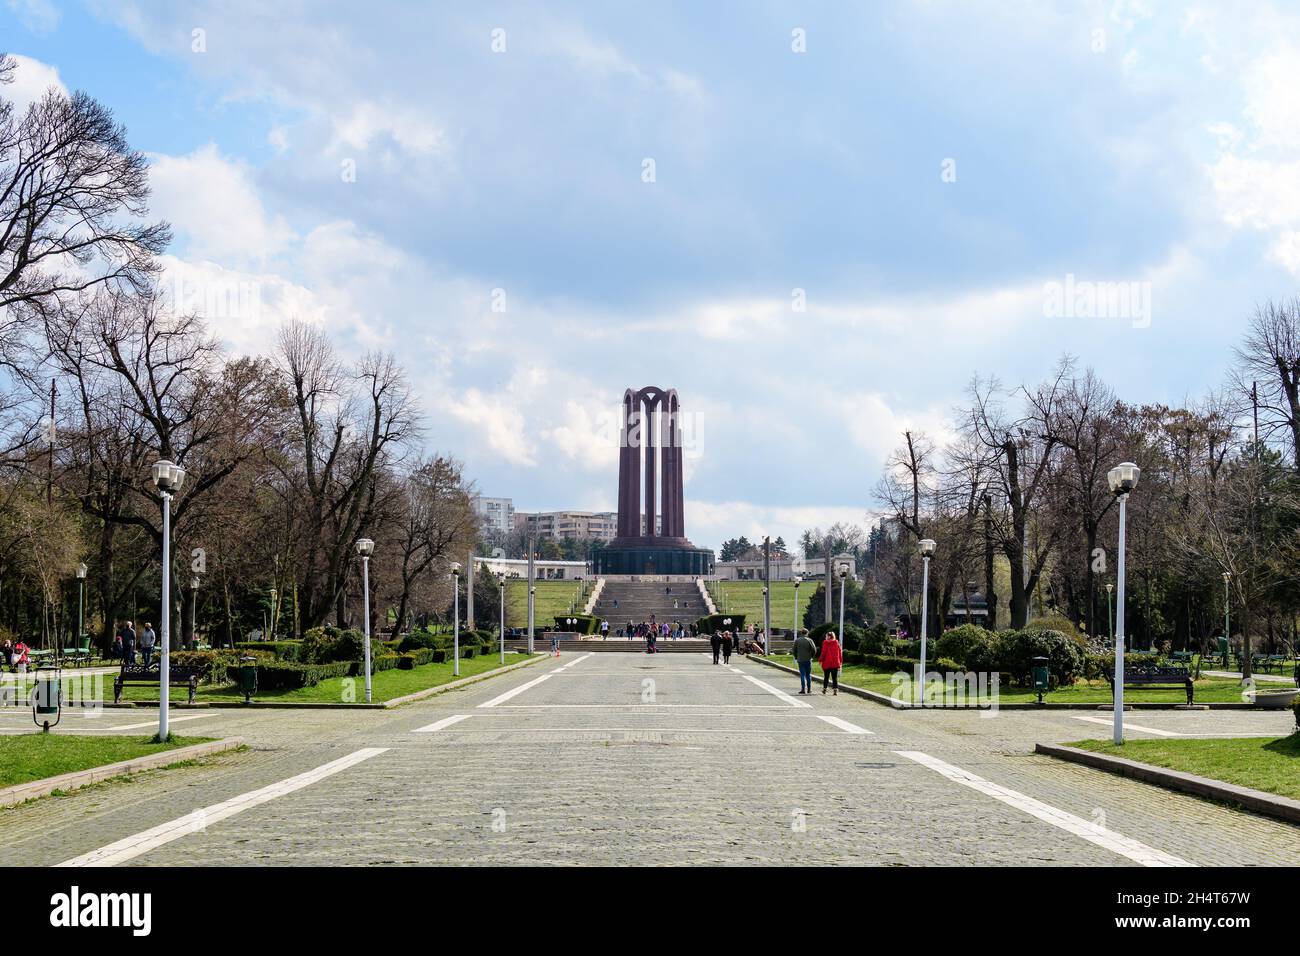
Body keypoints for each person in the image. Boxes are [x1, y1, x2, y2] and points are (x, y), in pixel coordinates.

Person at [791, 628, 817, 694]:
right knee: (808, 674)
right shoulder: (809, 640)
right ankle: (809, 689)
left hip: (800, 659)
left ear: (801, 633)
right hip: (808, 659)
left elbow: (794, 650)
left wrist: (796, 657)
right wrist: (811, 656)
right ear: (807, 633)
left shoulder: (797, 640)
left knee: (802, 674)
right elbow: (814, 650)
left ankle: (803, 689)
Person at [819, 629, 843, 695]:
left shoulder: (826, 643)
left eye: (826, 636)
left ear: (829, 636)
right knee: (834, 677)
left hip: (827, 662)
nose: (826, 637)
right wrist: (840, 661)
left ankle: (824, 689)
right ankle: (835, 690)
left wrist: (820, 660)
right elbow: (840, 653)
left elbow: (823, 653)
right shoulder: (836, 643)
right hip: (835, 663)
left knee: (826, 677)